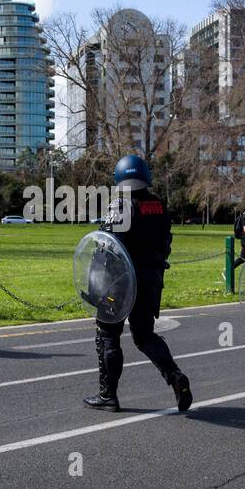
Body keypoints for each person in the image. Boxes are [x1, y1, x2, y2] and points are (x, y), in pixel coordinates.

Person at [83, 155, 192, 414]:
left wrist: (97, 286)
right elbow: (166, 243)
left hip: (120, 282)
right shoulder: (159, 205)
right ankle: (175, 376)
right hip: (150, 279)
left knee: (108, 335)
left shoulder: (119, 206)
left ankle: (108, 395)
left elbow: (107, 248)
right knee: (144, 336)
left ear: (120, 179)